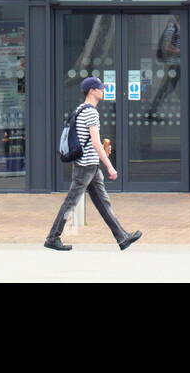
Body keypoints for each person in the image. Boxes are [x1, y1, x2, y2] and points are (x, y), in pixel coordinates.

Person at [44, 76, 142, 252]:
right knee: (70, 203)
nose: (103, 90)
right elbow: (96, 143)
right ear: (92, 90)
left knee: (103, 203)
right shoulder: (90, 112)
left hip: (90, 165)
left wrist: (102, 155)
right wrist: (110, 166)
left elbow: (90, 142)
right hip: (86, 166)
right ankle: (53, 237)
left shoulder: (80, 109)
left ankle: (122, 237)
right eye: (100, 88)